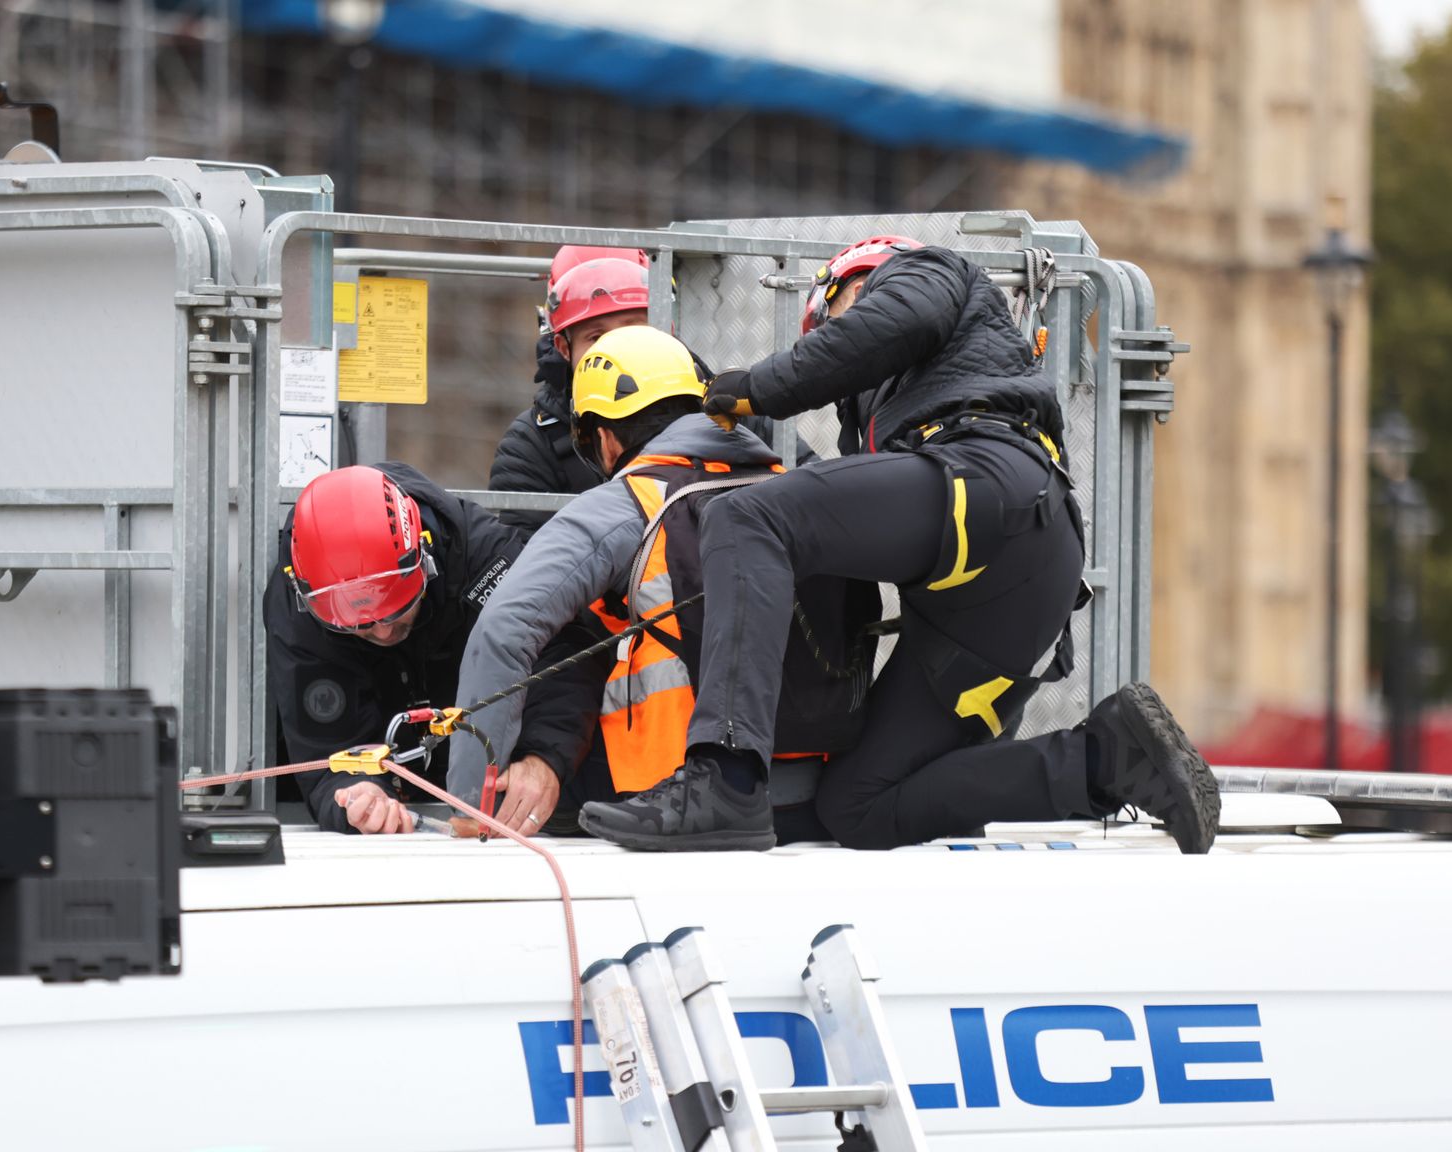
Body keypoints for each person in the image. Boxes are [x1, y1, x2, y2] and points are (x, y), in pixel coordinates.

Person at [574, 236, 1222, 854]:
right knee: (859, 805)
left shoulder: (933, 271)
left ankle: (725, 775)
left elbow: (881, 330)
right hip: (1009, 584)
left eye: (826, 321)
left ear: (856, 278)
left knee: (746, 519)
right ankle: (1109, 760)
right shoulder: (883, 419)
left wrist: (756, 388)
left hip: (990, 486)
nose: (828, 344)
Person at [447, 327, 869, 842]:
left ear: (603, 437)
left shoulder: (627, 504)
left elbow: (505, 628)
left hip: (672, 793)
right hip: (816, 789)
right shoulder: (790, 488)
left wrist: (472, 799)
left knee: (542, 773)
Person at [263, 464, 598, 834]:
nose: (384, 629)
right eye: (360, 623)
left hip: (506, 787)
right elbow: (322, 745)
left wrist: (544, 757)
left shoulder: (482, 553)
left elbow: (563, 653)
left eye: (400, 605)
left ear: (424, 556)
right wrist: (357, 796)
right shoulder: (297, 612)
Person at [489, 246, 804, 531]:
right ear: (563, 347)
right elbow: (523, 560)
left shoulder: (728, 407)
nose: (617, 348)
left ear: (665, 328)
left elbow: (808, 505)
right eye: (595, 337)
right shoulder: (532, 443)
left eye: (634, 328)